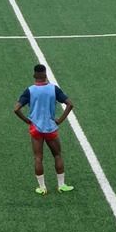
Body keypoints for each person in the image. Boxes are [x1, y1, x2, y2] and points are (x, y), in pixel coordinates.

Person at [14, 64, 74, 195]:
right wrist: (60, 120)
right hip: (50, 128)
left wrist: (27, 121)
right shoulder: (54, 89)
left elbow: (16, 109)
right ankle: (61, 185)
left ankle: (42, 188)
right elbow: (70, 104)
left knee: (38, 158)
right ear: (46, 74)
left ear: (34, 75)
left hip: (36, 129)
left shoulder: (30, 90)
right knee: (57, 155)